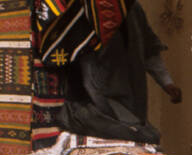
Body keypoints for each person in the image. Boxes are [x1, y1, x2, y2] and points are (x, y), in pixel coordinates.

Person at [55, 0, 182, 144]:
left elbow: (150, 49)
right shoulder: (84, 11)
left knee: (142, 138)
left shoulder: (133, 10)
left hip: (132, 99)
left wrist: (166, 82)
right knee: (142, 137)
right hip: (95, 106)